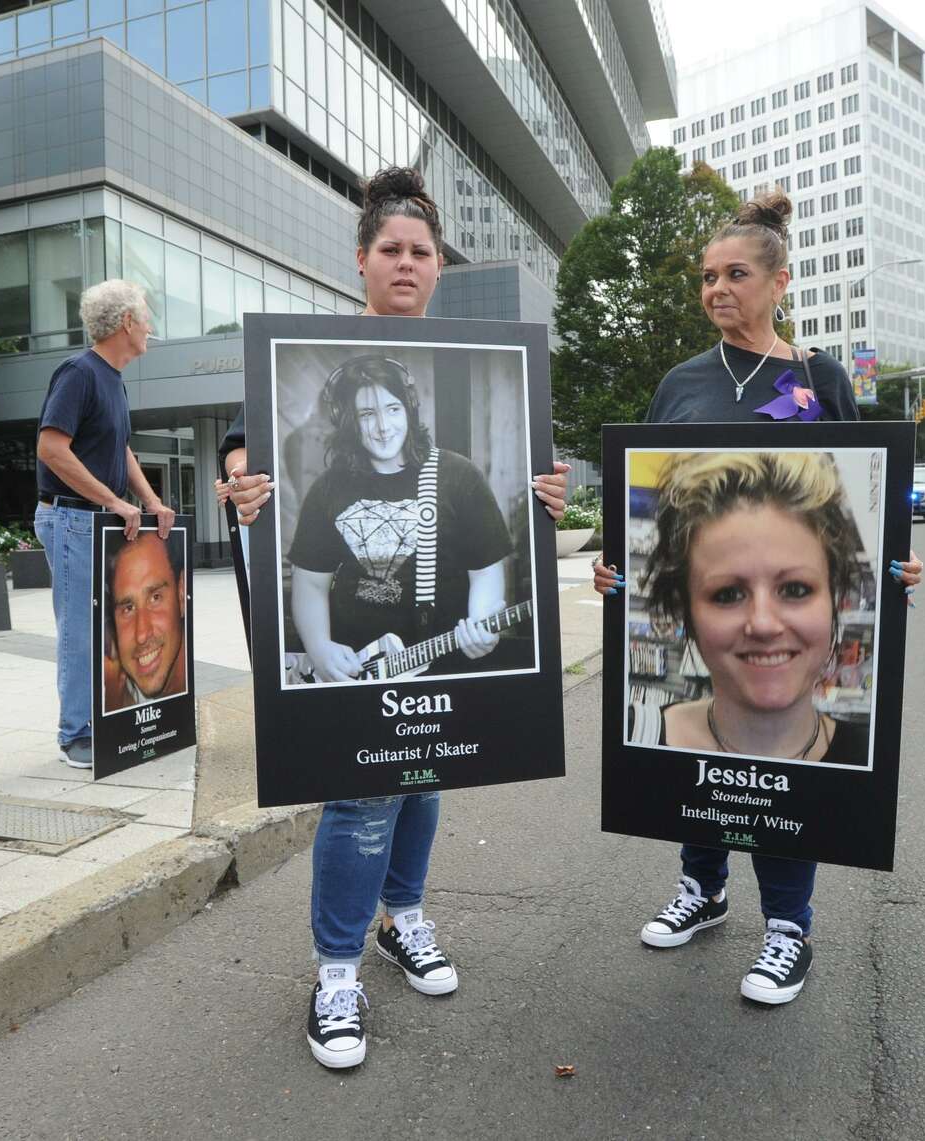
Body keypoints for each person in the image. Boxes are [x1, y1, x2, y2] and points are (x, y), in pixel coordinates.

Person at [216, 167, 569, 1069]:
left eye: (422, 251)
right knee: (361, 792)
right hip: (353, 667)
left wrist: (545, 500)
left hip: (439, 664)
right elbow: (294, 563)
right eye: (391, 250)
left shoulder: (450, 468)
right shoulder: (327, 461)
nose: (407, 263)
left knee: (422, 779)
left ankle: (402, 917)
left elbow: (493, 563)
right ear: (363, 261)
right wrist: (243, 493)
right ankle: (336, 971)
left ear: (437, 266)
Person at [593, 189, 923, 1006]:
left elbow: (861, 498)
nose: (716, 290)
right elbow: (643, 500)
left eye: (735, 273)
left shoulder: (821, 381)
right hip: (714, 600)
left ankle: (788, 926)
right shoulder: (680, 384)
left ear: (779, 282)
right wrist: (617, 564)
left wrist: (895, 566)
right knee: (698, 758)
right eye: (707, 277)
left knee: (784, 760)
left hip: (787, 607)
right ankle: (703, 888)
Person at [629, 451, 868, 768]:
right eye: (728, 594)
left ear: (835, 598)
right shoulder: (633, 740)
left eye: (795, 589)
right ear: (685, 610)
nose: (764, 624)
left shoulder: (869, 760)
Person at [286, 355, 512, 684]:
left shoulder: (457, 475)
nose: (382, 427)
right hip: (354, 667)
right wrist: (319, 647)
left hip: (444, 666)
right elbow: (310, 583)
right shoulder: (329, 488)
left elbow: (486, 570)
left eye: (393, 409)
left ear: (409, 409)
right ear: (348, 421)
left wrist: (480, 624)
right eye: (367, 414)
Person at [35, 280, 175, 769]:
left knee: (103, 629)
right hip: (71, 516)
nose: (151, 328)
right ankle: (75, 734)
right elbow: (51, 449)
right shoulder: (79, 373)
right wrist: (116, 501)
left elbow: (124, 451)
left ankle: (97, 721)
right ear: (126, 324)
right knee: (80, 630)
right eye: (146, 318)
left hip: (95, 520)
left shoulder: (112, 378)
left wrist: (152, 501)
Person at [103, 530, 186, 712]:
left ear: (181, 593)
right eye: (128, 608)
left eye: (155, 598)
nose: (141, 634)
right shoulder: (114, 691)